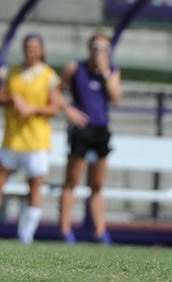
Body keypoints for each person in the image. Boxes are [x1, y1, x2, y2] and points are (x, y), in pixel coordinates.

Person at [0, 34, 84, 244]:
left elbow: (53, 108)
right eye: (27, 47)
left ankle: (26, 234)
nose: (30, 51)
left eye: (34, 48)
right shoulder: (12, 72)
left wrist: (33, 108)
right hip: (12, 139)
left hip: (35, 141)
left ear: (41, 50)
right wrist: (13, 97)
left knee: (33, 188)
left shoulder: (48, 76)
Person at [58, 30, 122, 245]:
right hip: (81, 131)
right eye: (95, 48)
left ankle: (100, 231)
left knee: (96, 184)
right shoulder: (76, 68)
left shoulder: (111, 71)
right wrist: (68, 109)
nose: (98, 53)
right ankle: (66, 230)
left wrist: (105, 74)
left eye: (103, 49)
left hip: (100, 130)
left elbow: (116, 98)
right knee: (71, 181)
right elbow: (55, 92)